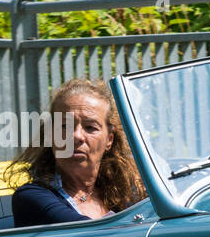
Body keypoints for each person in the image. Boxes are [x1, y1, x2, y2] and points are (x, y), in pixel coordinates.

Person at [8, 78, 147, 227]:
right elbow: (91, 235)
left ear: (109, 140)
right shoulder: (32, 198)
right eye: (65, 126)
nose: (77, 136)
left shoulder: (127, 193)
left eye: (90, 127)